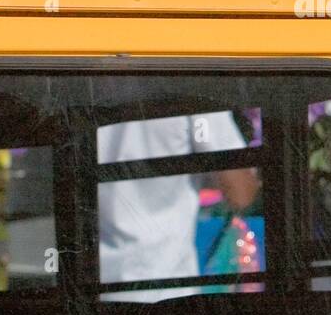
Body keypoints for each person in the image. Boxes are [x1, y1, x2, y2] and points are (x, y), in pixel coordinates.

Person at [97, 109, 259, 302]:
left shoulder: (86, 87)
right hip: (166, 292)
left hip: (98, 290)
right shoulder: (188, 89)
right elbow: (240, 193)